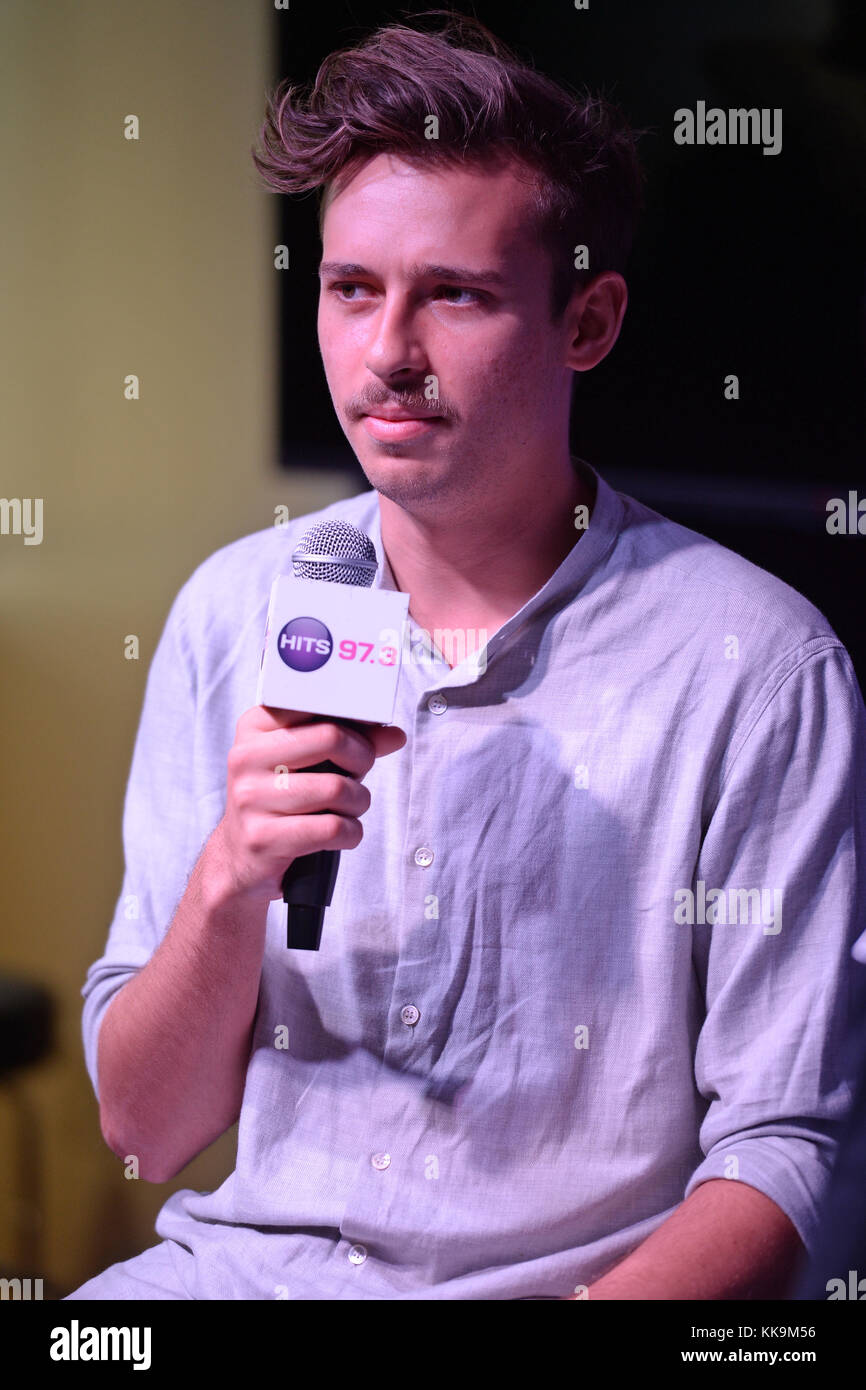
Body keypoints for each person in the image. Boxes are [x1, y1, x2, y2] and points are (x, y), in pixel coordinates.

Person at [65, 13, 866, 1300]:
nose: (387, 355)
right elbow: (145, 1131)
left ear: (586, 321)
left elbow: (788, 1150)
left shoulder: (755, 669)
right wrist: (231, 876)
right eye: (350, 290)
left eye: (454, 294)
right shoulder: (236, 609)